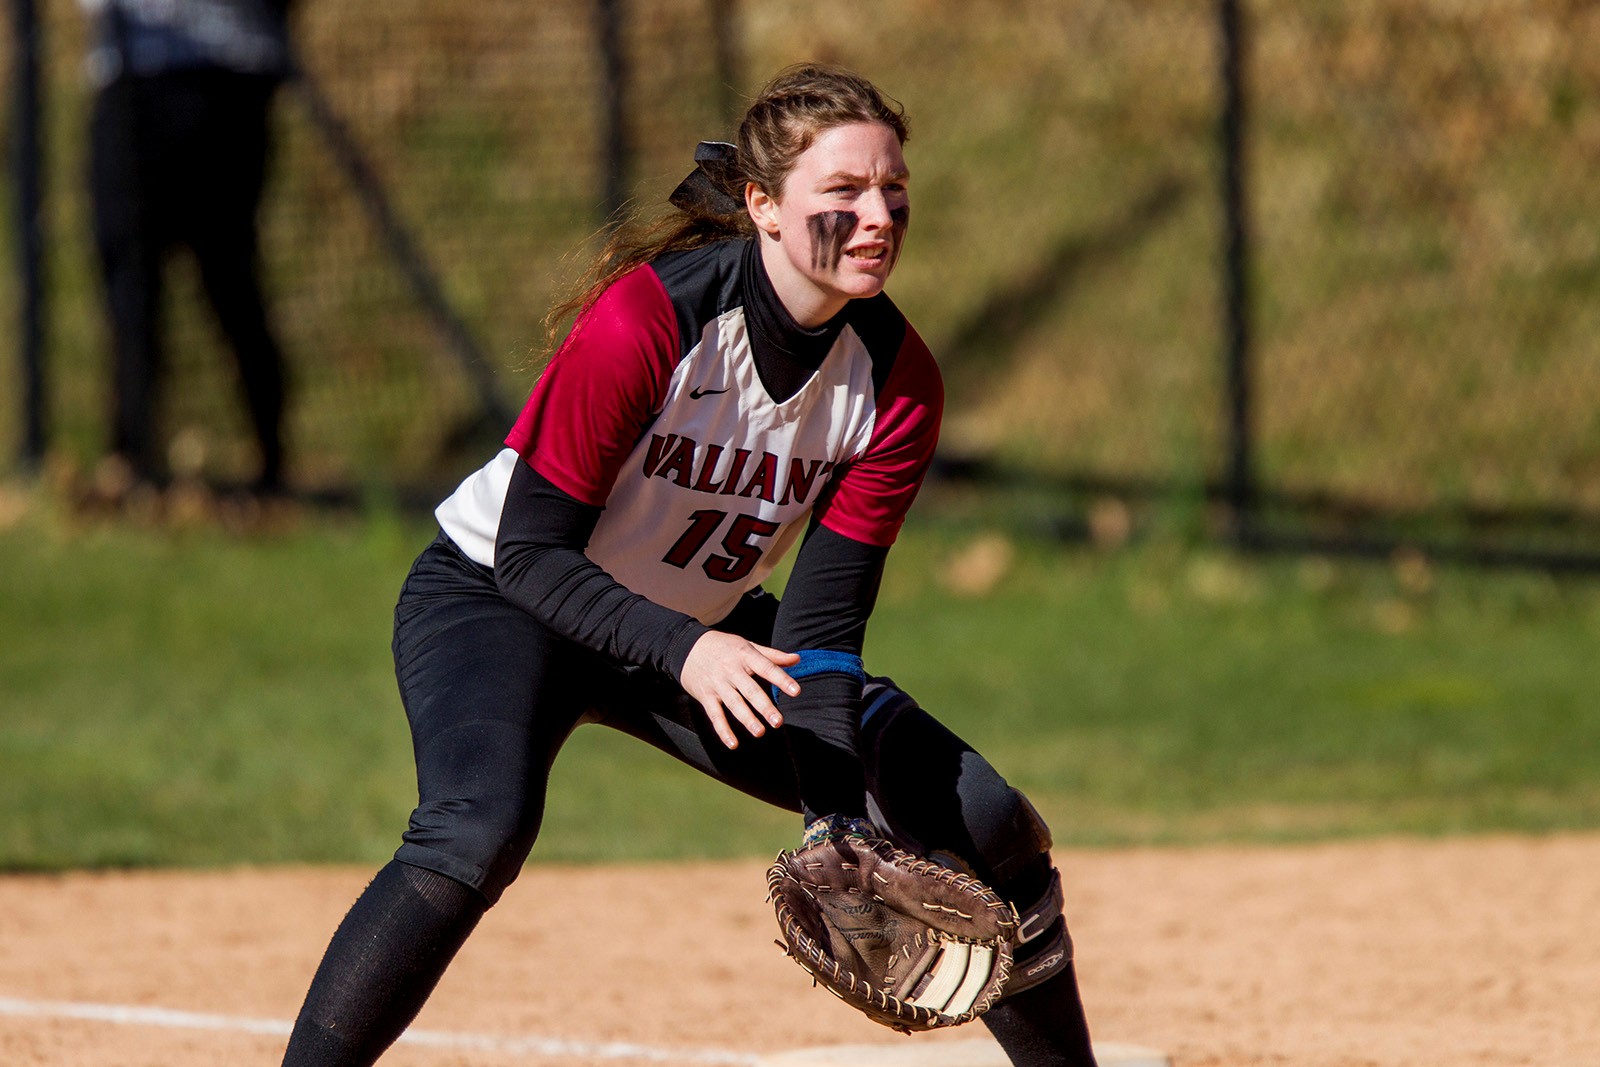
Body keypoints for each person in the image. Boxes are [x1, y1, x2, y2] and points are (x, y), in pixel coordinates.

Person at [280, 64, 1098, 1067]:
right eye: (841, 193)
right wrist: (687, 649)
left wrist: (833, 813)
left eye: (893, 189)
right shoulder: (648, 323)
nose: (877, 214)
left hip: (694, 636)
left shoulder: (896, 384)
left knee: (989, 822)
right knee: (475, 827)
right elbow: (531, 552)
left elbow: (822, 630)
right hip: (501, 599)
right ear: (762, 205)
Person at [83, 0, 295, 494]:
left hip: (227, 72)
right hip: (128, 70)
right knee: (130, 280)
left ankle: (273, 462)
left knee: (227, 272)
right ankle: (132, 461)